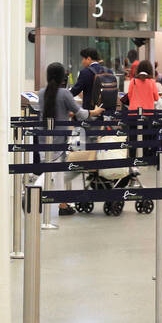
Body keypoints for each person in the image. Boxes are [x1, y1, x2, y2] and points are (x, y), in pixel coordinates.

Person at [31, 61, 104, 217]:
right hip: (58, 141)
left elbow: (53, 111)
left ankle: (63, 205)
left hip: (43, 139)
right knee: (50, 173)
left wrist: (67, 113)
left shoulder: (42, 93)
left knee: (56, 173)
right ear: (62, 77)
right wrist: (95, 111)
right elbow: (81, 114)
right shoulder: (65, 94)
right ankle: (31, 194)